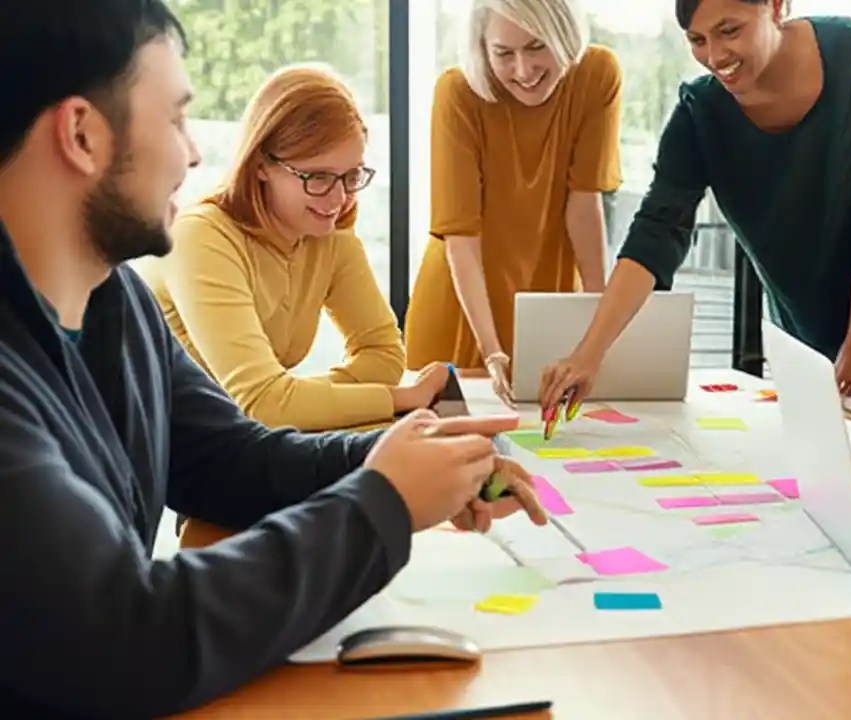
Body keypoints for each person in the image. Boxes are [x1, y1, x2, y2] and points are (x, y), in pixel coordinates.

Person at [0, 2, 546, 715]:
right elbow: (122, 634)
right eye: (173, 119)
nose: (192, 153)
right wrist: (383, 502)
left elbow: (230, 461)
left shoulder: (117, 305)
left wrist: (409, 461)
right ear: (80, 134)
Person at [538, 0, 851, 432]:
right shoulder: (700, 113)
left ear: (776, 6)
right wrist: (588, 354)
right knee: (822, 454)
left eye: (730, 30)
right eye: (697, 40)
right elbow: (656, 231)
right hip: (798, 312)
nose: (715, 55)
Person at [137, 64, 444, 432]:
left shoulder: (329, 232)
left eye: (351, 176)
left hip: (240, 444)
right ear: (262, 164)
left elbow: (384, 357)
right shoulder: (202, 237)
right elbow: (263, 405)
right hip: (167, 453)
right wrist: (397, 397)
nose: (339, 198)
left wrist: (296, 398)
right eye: (318, 177)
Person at [404, 0, 622, 406]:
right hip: (462, 304)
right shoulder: (457, 93)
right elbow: (461, 237)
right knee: (450, 455)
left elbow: (584, 204)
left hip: (546, 297)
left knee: (550, 458)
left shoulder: (597, 76)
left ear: (564, 33)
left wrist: (599, 334)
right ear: (483, 47)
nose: (524, 71)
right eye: (504, 53)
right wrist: (491, 351)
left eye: (537, 46)